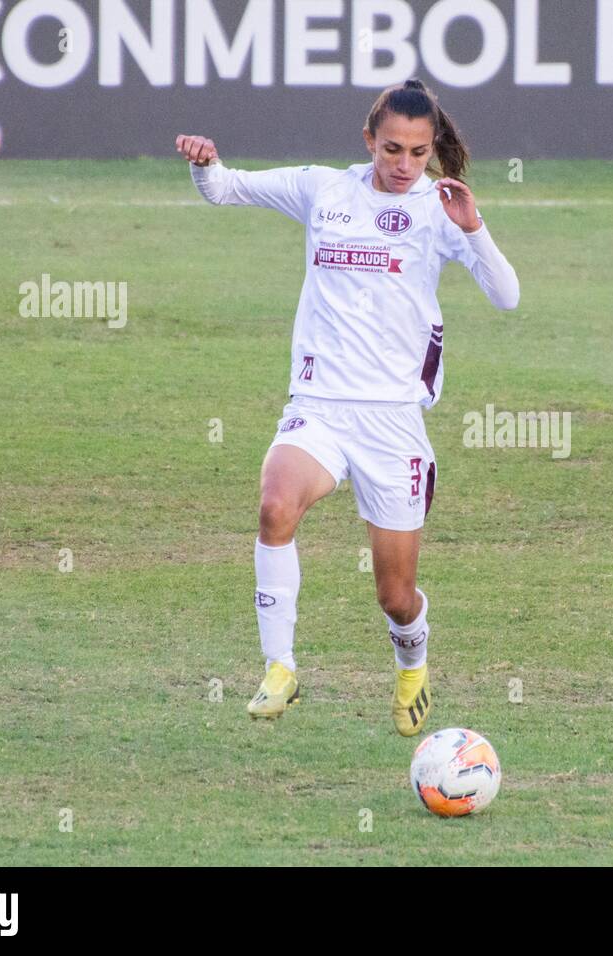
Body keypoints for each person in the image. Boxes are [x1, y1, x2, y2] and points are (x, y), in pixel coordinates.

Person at [175, 79, 519, 735]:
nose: (405, 164)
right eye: (393, 148)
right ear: (370, 141)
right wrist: (204, 164)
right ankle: (280, 667)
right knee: (276, 505)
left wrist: (475, 229)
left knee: (394, 595)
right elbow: (227, 188)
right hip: (321, 407)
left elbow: (507, 296)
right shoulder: (322, 190)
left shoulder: (439, 212)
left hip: (394, 424)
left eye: (419, 152)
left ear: (431, 149)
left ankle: (412, 665)